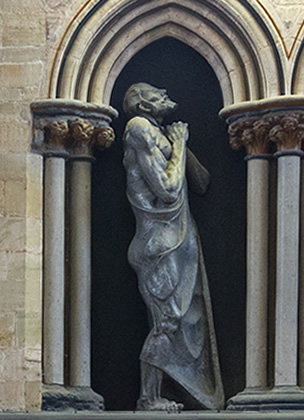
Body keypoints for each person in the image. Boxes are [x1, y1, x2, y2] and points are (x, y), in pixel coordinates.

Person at [120, 83, 223, 411]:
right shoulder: (138, 127)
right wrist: (178, 143)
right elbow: (167, 188)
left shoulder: (163, 134)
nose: (163, 91)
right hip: (159, 244)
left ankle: (174, 392)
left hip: (180, 240)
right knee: (165, 322)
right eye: (154, 92)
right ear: (143, 106)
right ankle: (148, 398)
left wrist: (180, 144)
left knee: (181, 324)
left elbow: (202, 182)